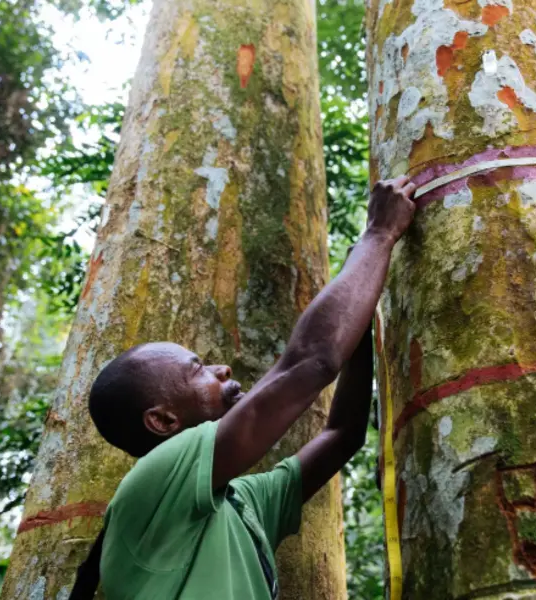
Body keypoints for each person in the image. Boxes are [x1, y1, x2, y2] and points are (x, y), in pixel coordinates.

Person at [69, 175, 417, 599]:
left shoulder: (242, 503)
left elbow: (341, 436)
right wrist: (379, 234)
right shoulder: (153, 481)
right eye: (197, 370)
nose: (220, 369)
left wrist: (357, 319)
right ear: (162, 420)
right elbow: (311, 362)